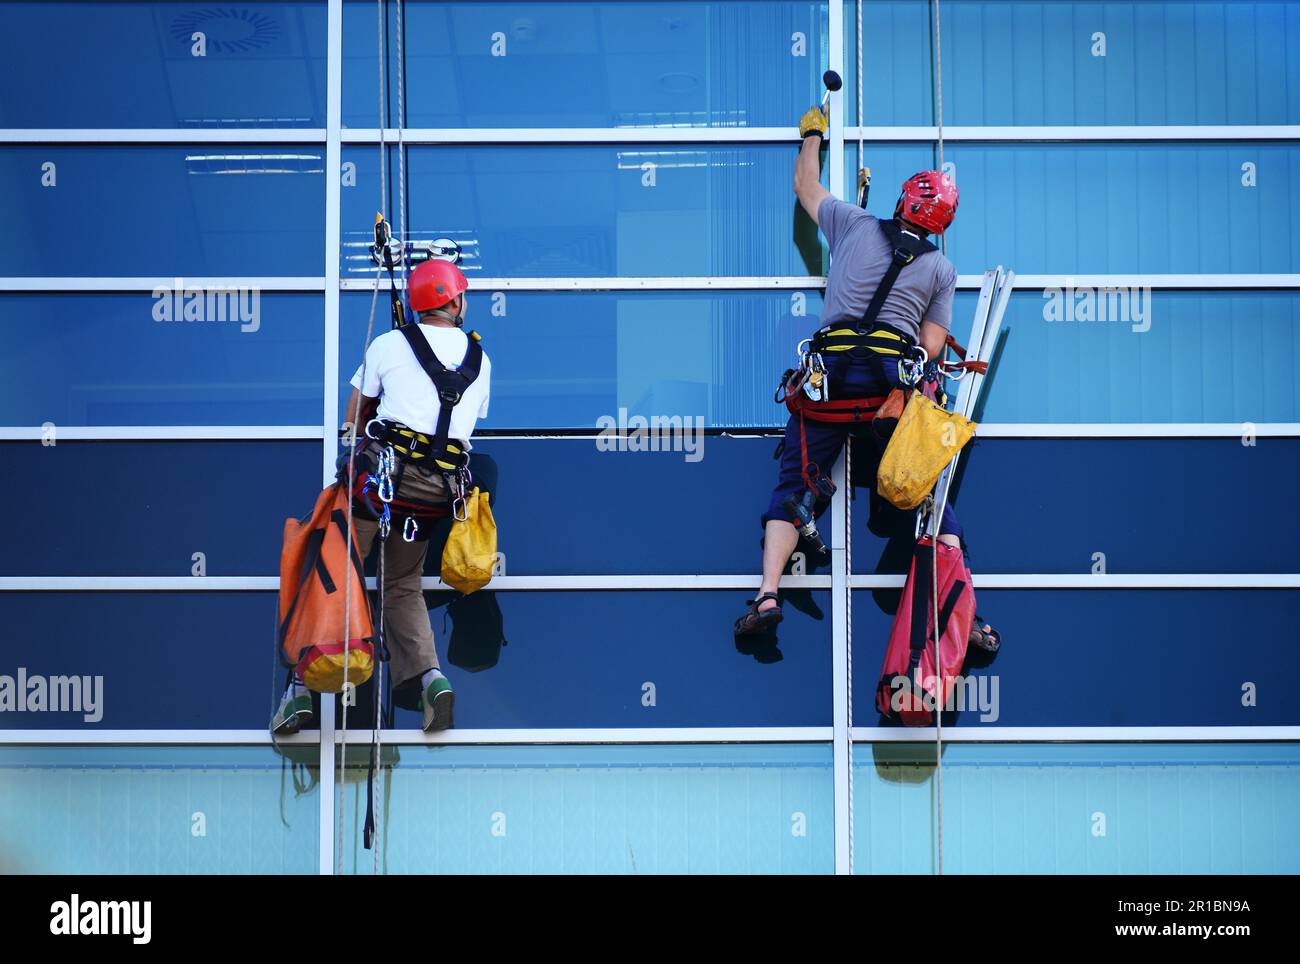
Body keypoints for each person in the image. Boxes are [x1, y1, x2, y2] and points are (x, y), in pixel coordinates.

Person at [735, 102, 985, 637]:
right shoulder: (940, 269)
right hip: (885, 397)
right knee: (924, 490)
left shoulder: (851, 222)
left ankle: (767, 595)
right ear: (941, 225)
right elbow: (933, 347)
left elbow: (805, 186)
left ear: (901, 200)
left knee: (790, 489)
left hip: (826, 382)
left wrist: (813, 135)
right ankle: (963, 603)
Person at [273, 258, 491, 733]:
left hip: (381, 483)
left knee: (337, 566)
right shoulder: (481, 360)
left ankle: (301, 690)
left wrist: (357, 434)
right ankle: (432, 680)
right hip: (436, 494)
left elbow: (355, 411)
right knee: (401, 585)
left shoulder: (389, 344)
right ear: (453, 301)